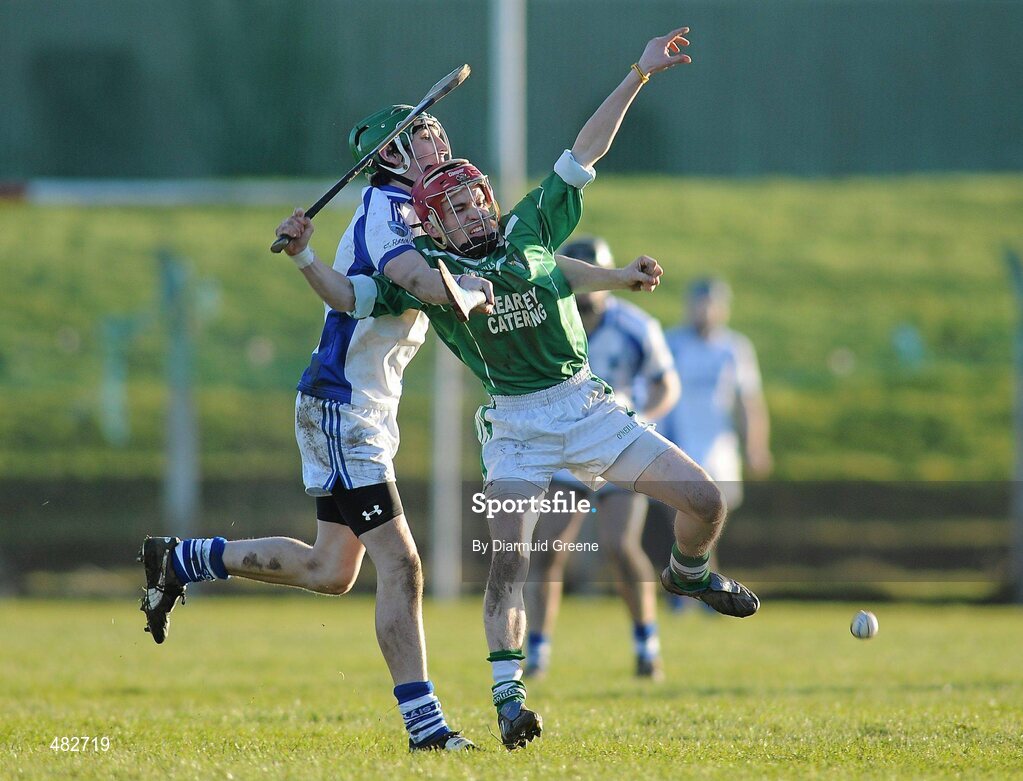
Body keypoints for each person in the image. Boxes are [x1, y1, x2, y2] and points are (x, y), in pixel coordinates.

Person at [327, 25, 760, 750]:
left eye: (477, 200)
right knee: (511, 562)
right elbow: (357, 292)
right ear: (433, 223)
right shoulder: (426, 266)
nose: (473, 211)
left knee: (707, 500)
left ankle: (686, 573)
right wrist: (310, 255)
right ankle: (507, 699)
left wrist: (639, 74)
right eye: (455, 208)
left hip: (588, 407)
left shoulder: (531, 223)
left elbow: (583, 153)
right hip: (517, 428)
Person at [138, 106, 493, 752]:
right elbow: (407, 276)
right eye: (423, 137)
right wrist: (457, 291)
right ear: (388, 156)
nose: (439, 143)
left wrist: (305, 255)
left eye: (440, 132)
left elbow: (354, 297)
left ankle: (181, 558)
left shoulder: (417, 208)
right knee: (403, 564)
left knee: (332, 569)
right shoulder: (389, 212)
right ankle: (427, 729)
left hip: (364, 407)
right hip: (343, 405)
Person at [523, 236, 681, 681]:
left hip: (619, 445)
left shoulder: (636, 326)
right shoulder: (549, 321)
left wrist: (642, 420)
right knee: (548, 547)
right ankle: (538, 652)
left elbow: (667, 385)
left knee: (618, 544)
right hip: (566, 447)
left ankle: (646, 644)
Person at [659, 277, 773, 607]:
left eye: (711, 304)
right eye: (699, 303)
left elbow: (748, 402)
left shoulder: (734, 348)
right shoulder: (672, 343)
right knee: (684, 519)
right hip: (679, 444)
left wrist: (756, 446)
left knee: (708, 524)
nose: (705, 311)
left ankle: (695, 588)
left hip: (720, 448)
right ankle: (695, 592)